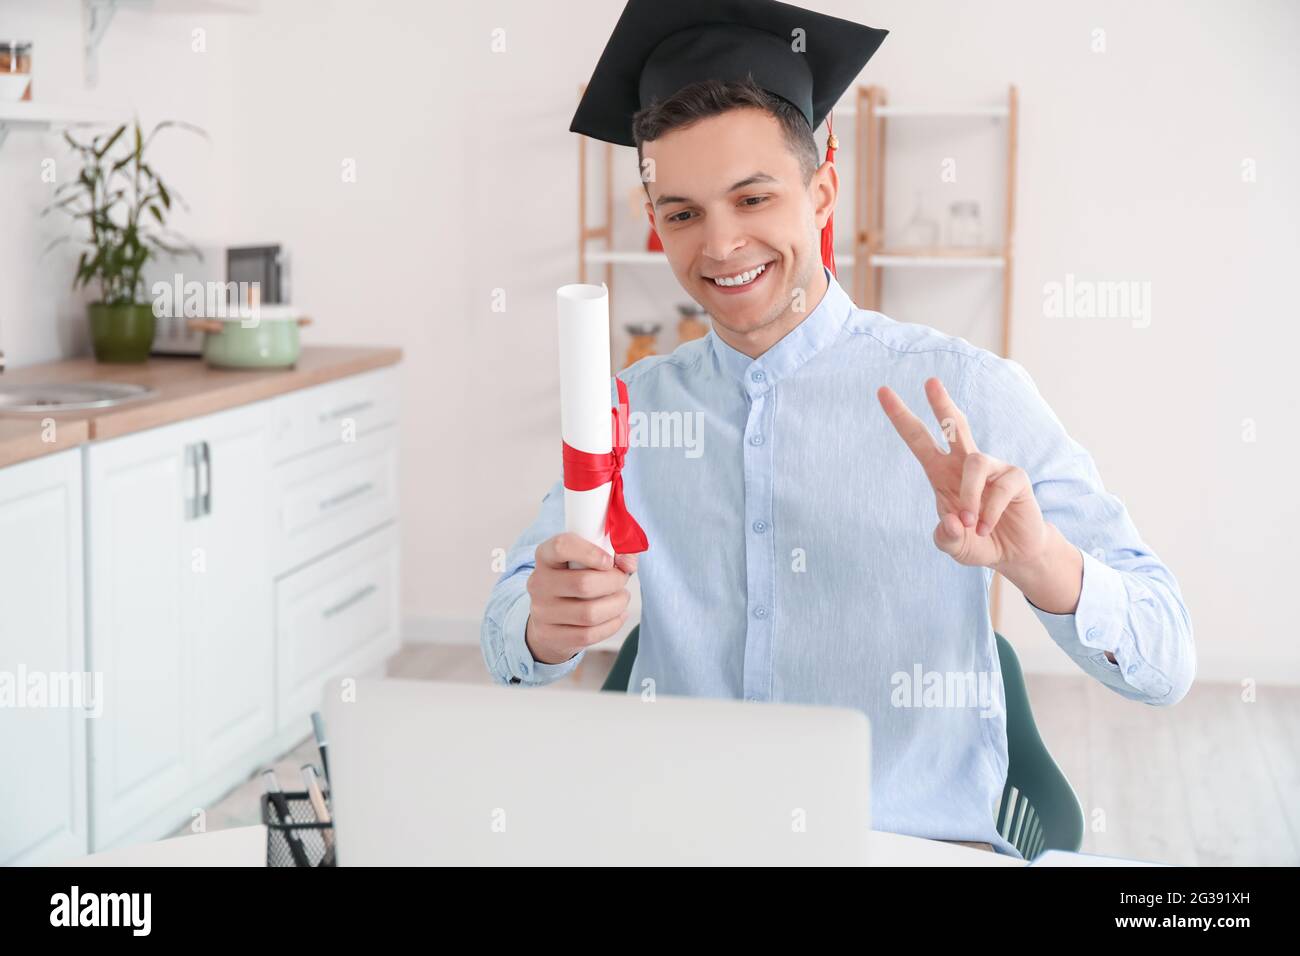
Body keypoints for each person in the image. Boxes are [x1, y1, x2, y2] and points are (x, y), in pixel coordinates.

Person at [480, 0, 1194, 857]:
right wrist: (538, 624)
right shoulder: (628, 413)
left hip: (898, 844)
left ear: (822, 188)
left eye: (753, 196)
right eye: (682, 213)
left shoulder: (969, 395)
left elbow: (1168, 660)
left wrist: (1044, 565)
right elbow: (510, 631)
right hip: (680, 839)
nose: (721, 243)